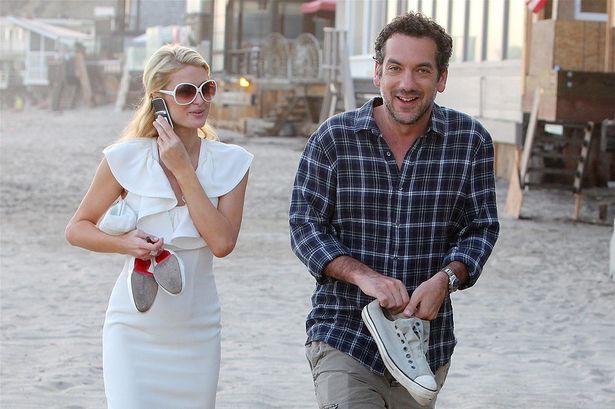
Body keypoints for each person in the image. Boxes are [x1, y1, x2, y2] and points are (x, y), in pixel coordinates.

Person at [289, 12, 499, 409]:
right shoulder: (333, 138)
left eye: (422, 70)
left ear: (441, 78)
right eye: (395, 68)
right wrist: (363, 276)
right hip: (344, 334)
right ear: (377, 73)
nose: (407, 83)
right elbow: (305, 226)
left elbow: (481, 228)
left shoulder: (471, 141)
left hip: (425, 345)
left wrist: (446, 280)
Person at [65, 44, 253, 408]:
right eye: (185, 91)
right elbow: (77, 228)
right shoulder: (125, 158)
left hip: (197, 331)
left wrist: (183, 169)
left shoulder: (233, 162)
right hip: (132, 330)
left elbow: (222, 243)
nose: (199, 100)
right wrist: (124, 243)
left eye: (207, 89)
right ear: (158, 100)